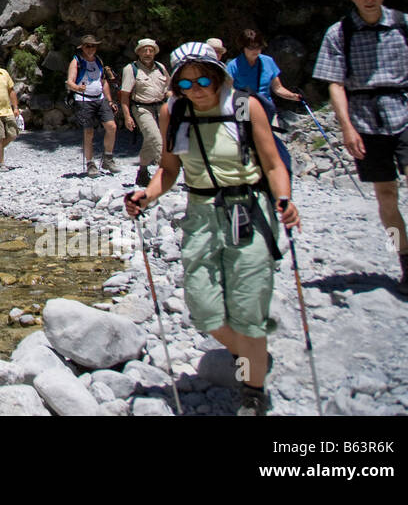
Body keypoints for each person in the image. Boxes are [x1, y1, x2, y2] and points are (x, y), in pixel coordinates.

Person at [125, 41, 299, 415]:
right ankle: (253, 354)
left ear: (218, 75)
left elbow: (272, 165)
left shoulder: (246, 107)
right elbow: (169, 171)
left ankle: (253, 391)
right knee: (203, 309)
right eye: (186, 84)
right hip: (201, 212)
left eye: (203, 79)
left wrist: (284, 199)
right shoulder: (174, 112)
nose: (197, 89)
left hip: (249, 211)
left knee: (249, 307)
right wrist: (147, 195)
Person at [311, 0, 408, 297]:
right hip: (366, 120)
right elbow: (336, 85)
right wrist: (347, 128)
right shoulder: (339, 33)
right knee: (386, 196)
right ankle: (404, 259)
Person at [120, 39, 171, 181]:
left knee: (149, 141)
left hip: (161, 107)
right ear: (139, 52)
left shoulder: (160, 67)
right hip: (142, 108)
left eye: (151, 50)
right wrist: (127, 117)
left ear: (155, 52)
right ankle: (166, 176)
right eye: (145, 50)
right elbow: (124, 95)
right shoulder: (131, 69)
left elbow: (168, 87)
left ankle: (142, 172)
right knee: (156, 139)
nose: (148, 53)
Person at [226, 29, 302, 126]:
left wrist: (293, 96)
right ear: (243, 47)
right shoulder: (233, 66)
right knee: (246, 139)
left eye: (258, 47)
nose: (256, 51)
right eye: (251, 47)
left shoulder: (268, 61)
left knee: (271, 139)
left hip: (266, 108)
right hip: (243, 108)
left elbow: (278, 88)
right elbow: (228, 92)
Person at [66, 35, 117, 176]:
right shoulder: (76, 61)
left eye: (93, 46)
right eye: (87, 46)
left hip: (100, 98)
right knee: (89, 132)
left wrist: (110, 100)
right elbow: (69, 82)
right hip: (84, 100)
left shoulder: (99, 61)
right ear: (82, 47)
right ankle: (90, 164)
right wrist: (77, 88)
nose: (90, 49)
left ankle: (108, 157)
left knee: (112, 127)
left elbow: (103, 82)